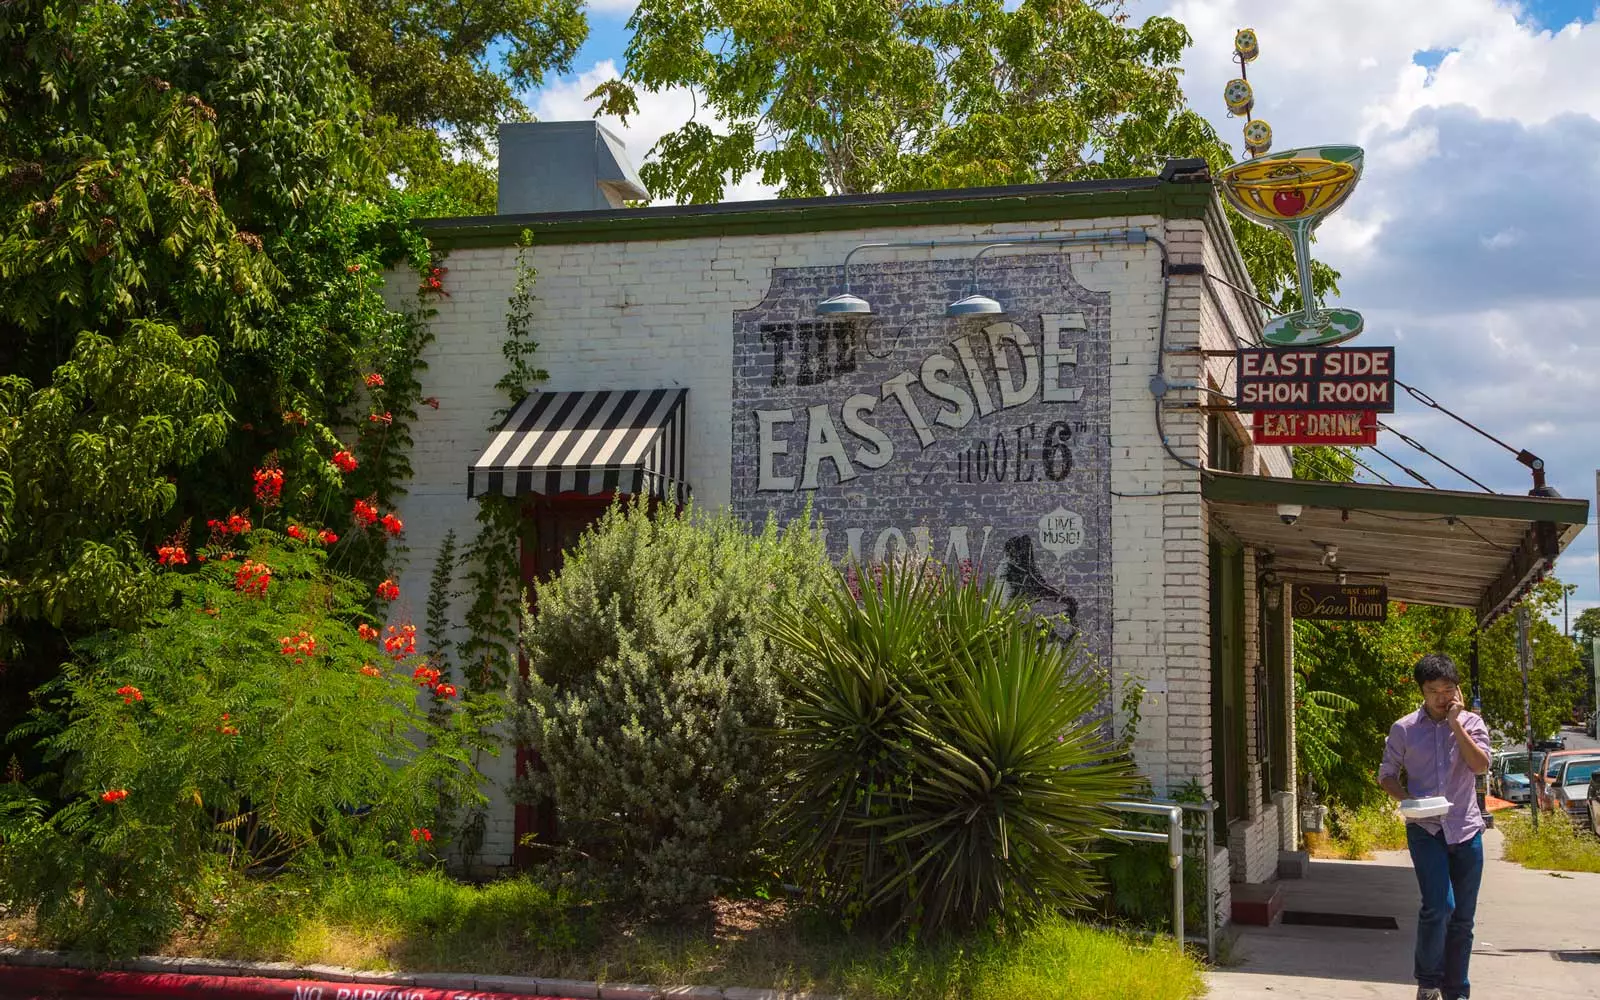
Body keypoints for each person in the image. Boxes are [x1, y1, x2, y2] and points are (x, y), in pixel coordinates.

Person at [1378, 653, 1492, 1000]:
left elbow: (1480, 766)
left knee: (1463, 920)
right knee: (1439, 906)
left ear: (1457, 690)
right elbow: (1386, 775)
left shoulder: (1472, 724)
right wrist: (1408, 799)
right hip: (1425, 828)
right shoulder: (1405, 728)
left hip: (1466, 829)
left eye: (1448, 690)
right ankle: (1428, 982)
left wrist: (1456, 724)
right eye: (1434, 691)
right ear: (1422, 692)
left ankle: (1456, 991)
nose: (1442, 698)